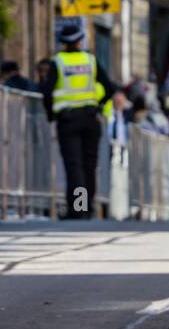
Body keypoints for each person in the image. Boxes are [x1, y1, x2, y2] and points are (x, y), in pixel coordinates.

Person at [42, 23, 123, 220]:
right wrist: (98, 105)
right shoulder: (90, 60)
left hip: (68, 120)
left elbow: (47, 92)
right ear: (79, 41)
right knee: (89, 165)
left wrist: (51, 115)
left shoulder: (58, 62)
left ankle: (78, 209)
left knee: (74, 166)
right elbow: (111, 88)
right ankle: (86, 208)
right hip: (90, 118)